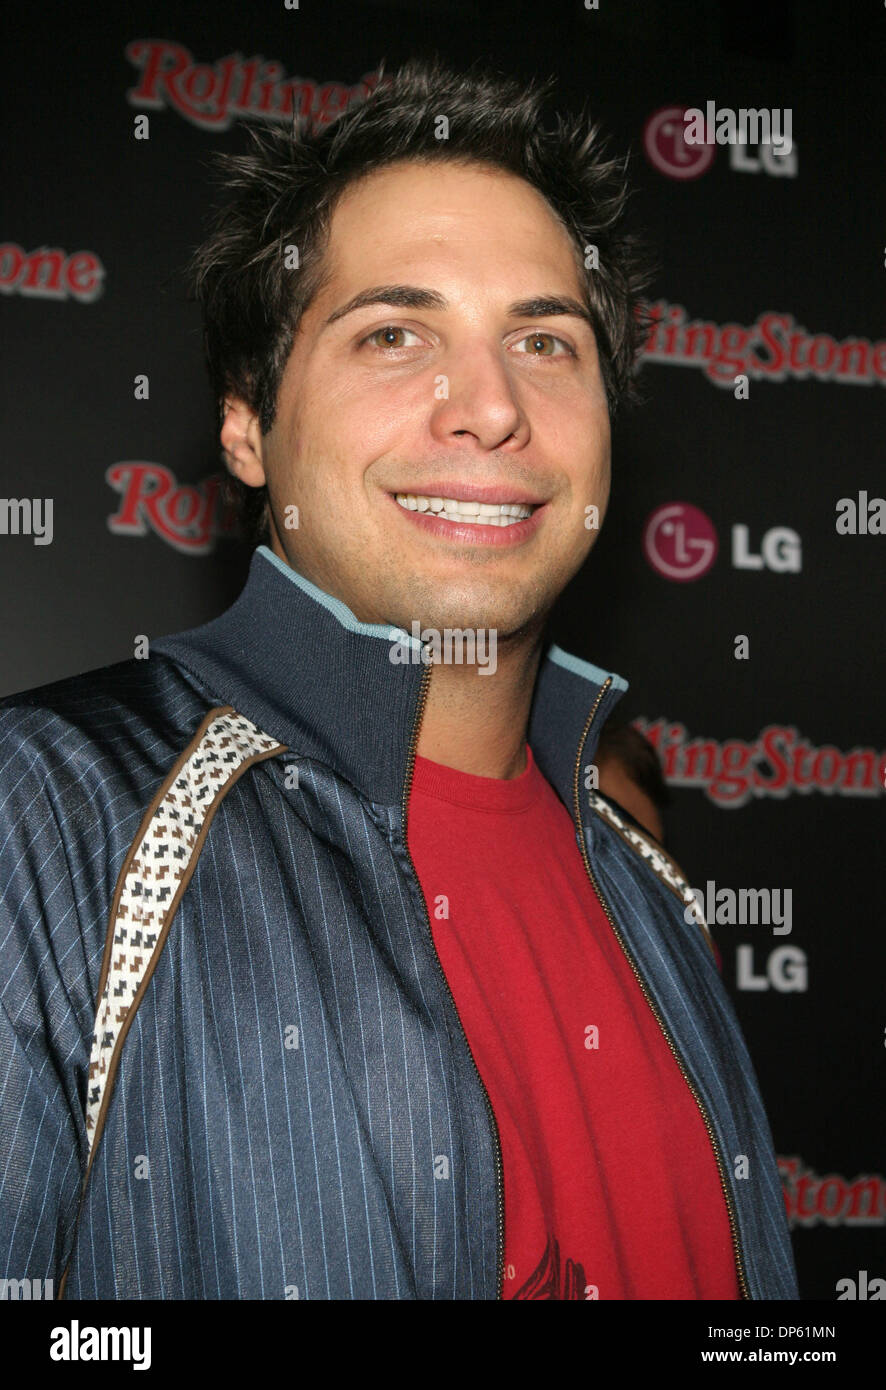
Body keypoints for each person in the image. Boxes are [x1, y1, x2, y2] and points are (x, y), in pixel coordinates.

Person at [0, 57, 797, 1301]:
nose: (488, 406)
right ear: (247, 424)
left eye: (545, 340)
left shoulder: (644, 877)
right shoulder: (46, 817)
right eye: (392, 333)